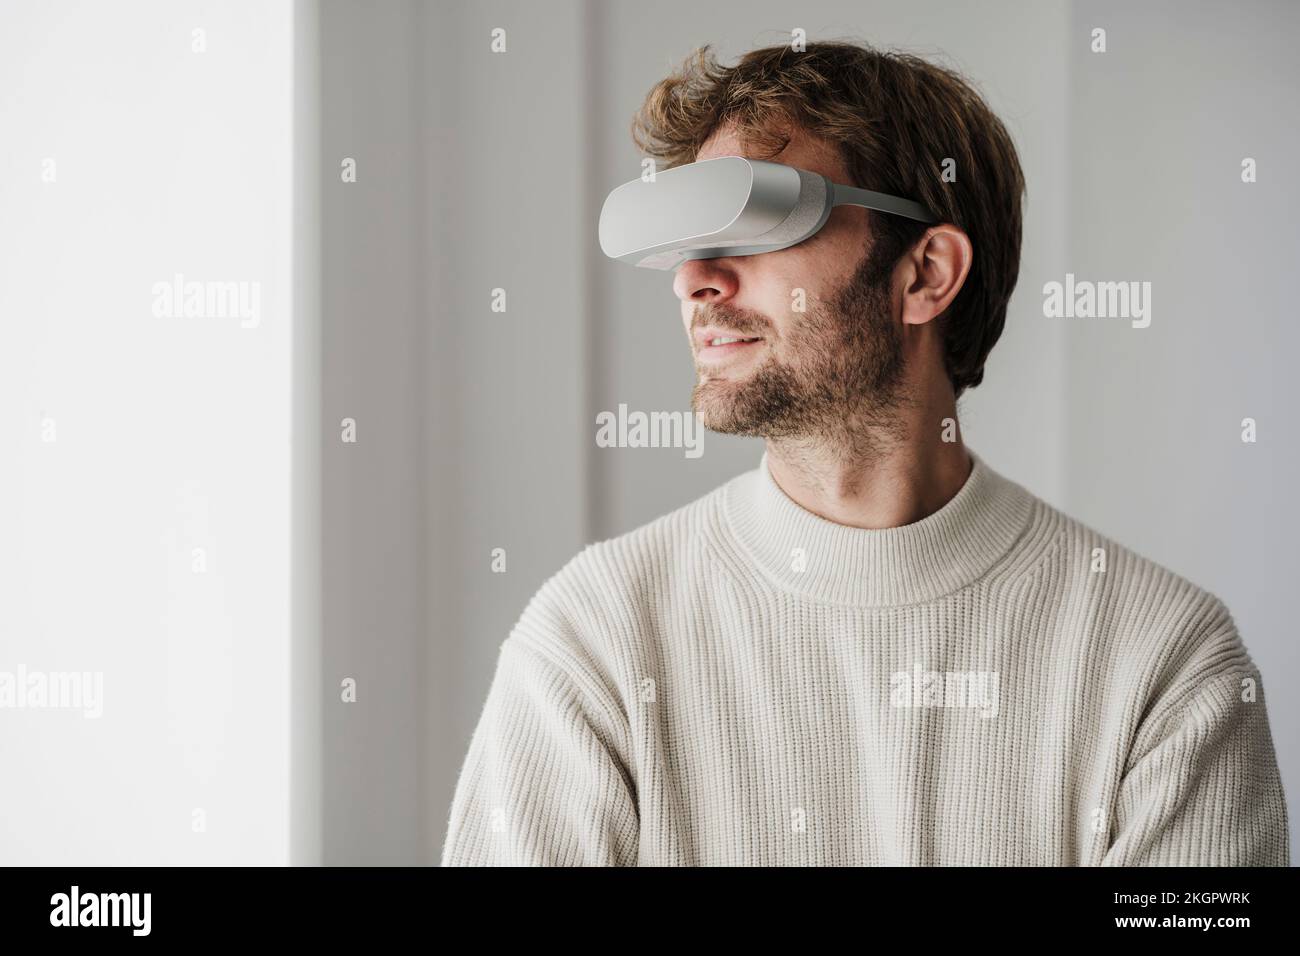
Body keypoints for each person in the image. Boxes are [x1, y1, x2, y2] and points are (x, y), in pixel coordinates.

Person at [440, 40, 1288, 866]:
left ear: (925, 274)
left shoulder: (1162, 664)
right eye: (687, 239)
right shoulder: (595, 647)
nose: (694, 280)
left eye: (758, 222)